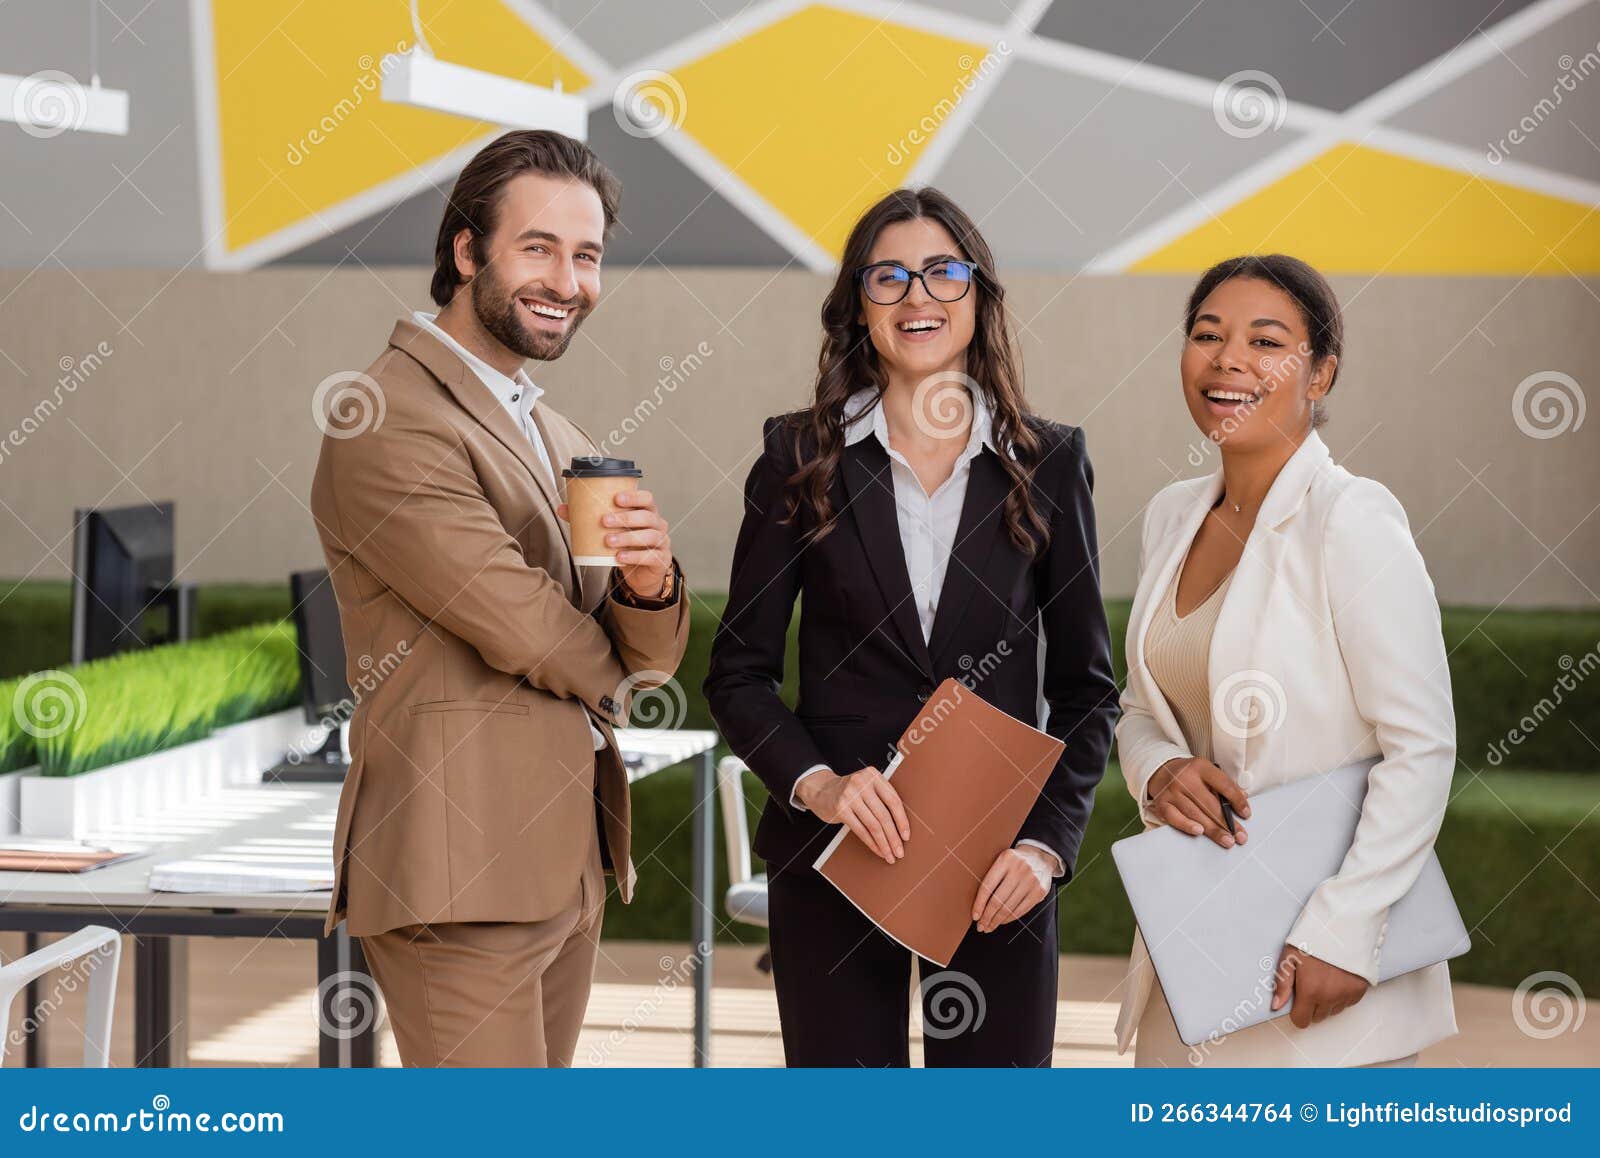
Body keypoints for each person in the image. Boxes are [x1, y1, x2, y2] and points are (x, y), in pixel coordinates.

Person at [704, 187, 1118, 1067]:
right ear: (859, 305)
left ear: (979, 295)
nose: (917, 296)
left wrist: (1046, 847)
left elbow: (1087, 692)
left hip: (996, 865)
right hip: (836, 858)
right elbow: (736, 674)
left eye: (942, 272)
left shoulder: (1048, 463)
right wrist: (819, 785)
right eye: (887, 277)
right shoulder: (796, 457)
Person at [309, 130, 689, 1067]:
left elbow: (648, 655)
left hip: (562, 866)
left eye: (587, 254)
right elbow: (532, 631)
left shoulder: (550, 426)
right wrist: (619, 657)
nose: (567, 278)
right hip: (457, 870)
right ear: (467, 251)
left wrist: (652, 583)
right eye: (538, 248)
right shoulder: (388, 416)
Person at [1114, 254, 1457, 1067]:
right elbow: (1138, 709)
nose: (1229, 360)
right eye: (1208, 335)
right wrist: (1158, 770)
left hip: (1317, 961)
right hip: (1195, 942)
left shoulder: (1351, 519)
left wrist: (1347, 927)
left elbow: (1422, 745)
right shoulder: (1171, 518)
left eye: (1266, 342)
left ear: (1320, 373)